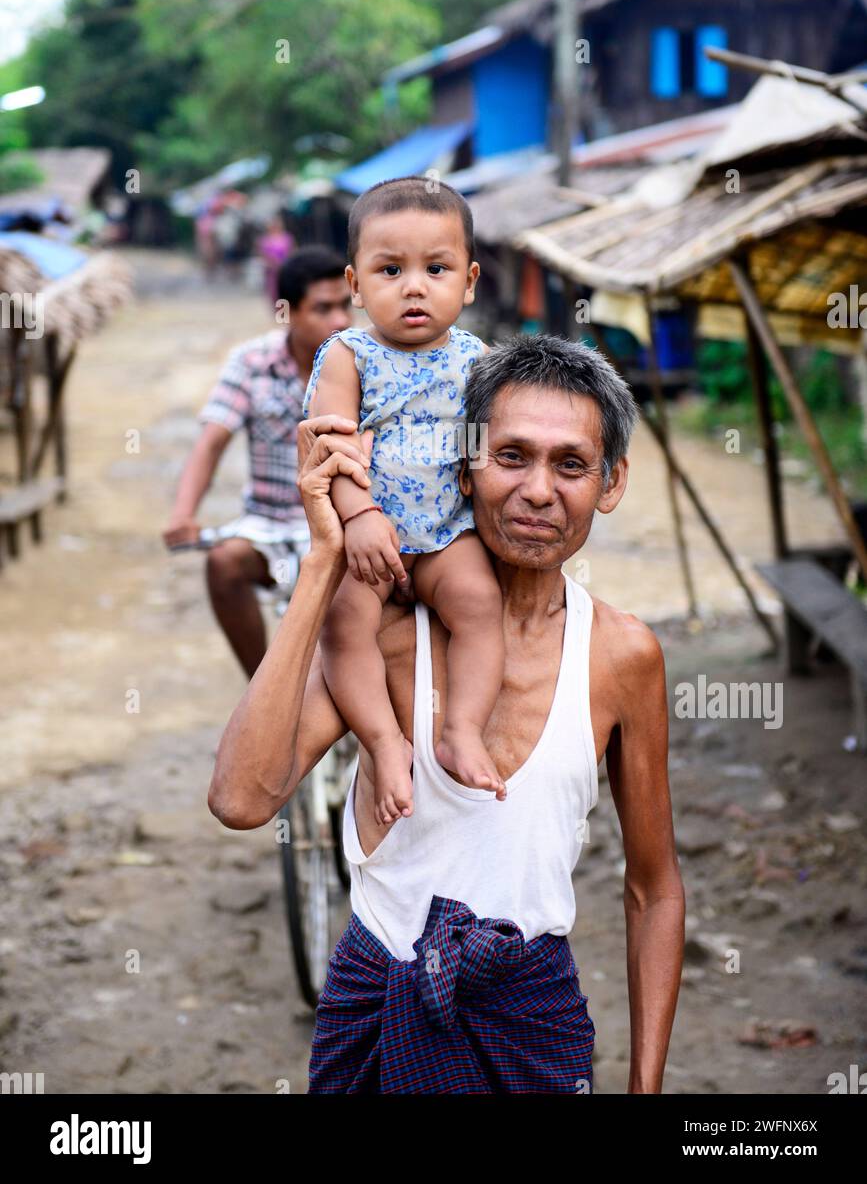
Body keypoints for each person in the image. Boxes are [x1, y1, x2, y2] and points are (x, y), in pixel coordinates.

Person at [208, 333, 686, 1095]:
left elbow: (652, 889)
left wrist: (645, 1086)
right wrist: (323, 561)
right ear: (464, 465)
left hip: (532, 1019)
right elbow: (240, 799)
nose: (537, 490)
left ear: (611, 480)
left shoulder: (621, 656)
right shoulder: (393, 634)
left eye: (569, 464)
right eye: (510, 457)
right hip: (378, 1001)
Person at [302, 178, 506, 825]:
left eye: (435, 269)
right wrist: (358, 516)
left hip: (447, 535)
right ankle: (385, 742)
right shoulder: (347, 355)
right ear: (355, 285)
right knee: (342, 625)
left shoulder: (477, 360)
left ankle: (462, 731)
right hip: (372, 542)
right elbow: (330, 448)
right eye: (390, 270)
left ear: (468, 281)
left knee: (479, 605)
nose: (413, 287)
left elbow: (493, 450)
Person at [163, 246, 351, 677]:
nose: (339, 320)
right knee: (224, 563)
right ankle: (263, 690)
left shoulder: (368, 361)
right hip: (269, 522)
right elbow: (211, 442)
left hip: (348, 524)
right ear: (286, 311)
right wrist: (182, 513)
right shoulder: (250, 361)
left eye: (344, 305)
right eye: (322, 308)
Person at [257, 212, 295, 309]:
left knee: (285, 291)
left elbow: (292, 251)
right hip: (272, 271)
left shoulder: (287, 238)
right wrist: (272, 263)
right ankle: (280, 314)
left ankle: (284, 313)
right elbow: (263, 255)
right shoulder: (265, 240)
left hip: (285, 268)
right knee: (274, 293)